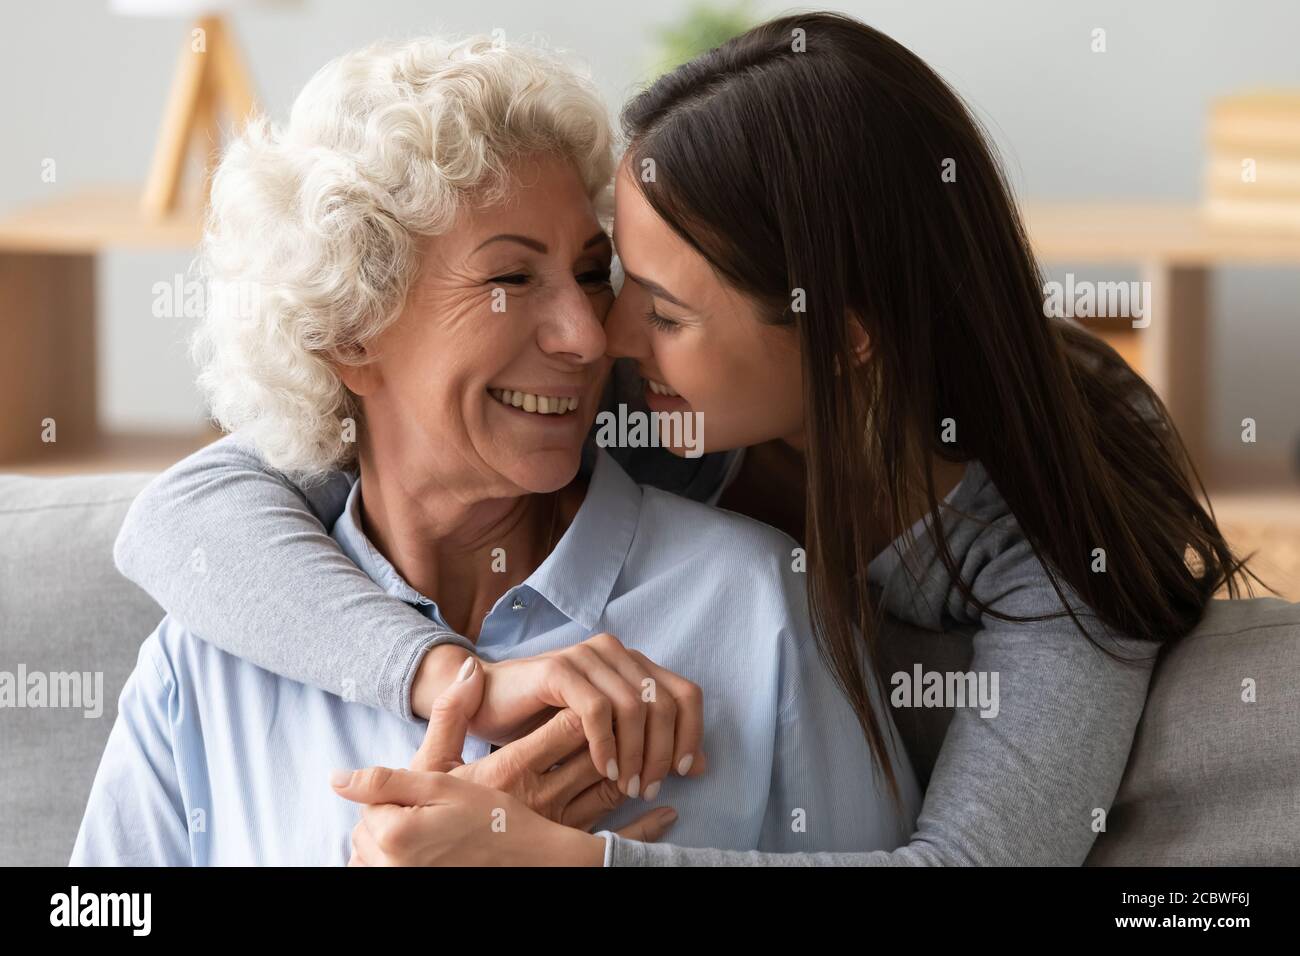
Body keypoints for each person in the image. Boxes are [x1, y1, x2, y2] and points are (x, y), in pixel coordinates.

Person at [111, 14, 1261, 866]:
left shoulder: (1012, 554)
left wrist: (569, 859)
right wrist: (448, 671)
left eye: (651, 306)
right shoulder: (617, 399)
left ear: (841, 339)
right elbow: (181, 511)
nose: (592, 333)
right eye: (600, 274)